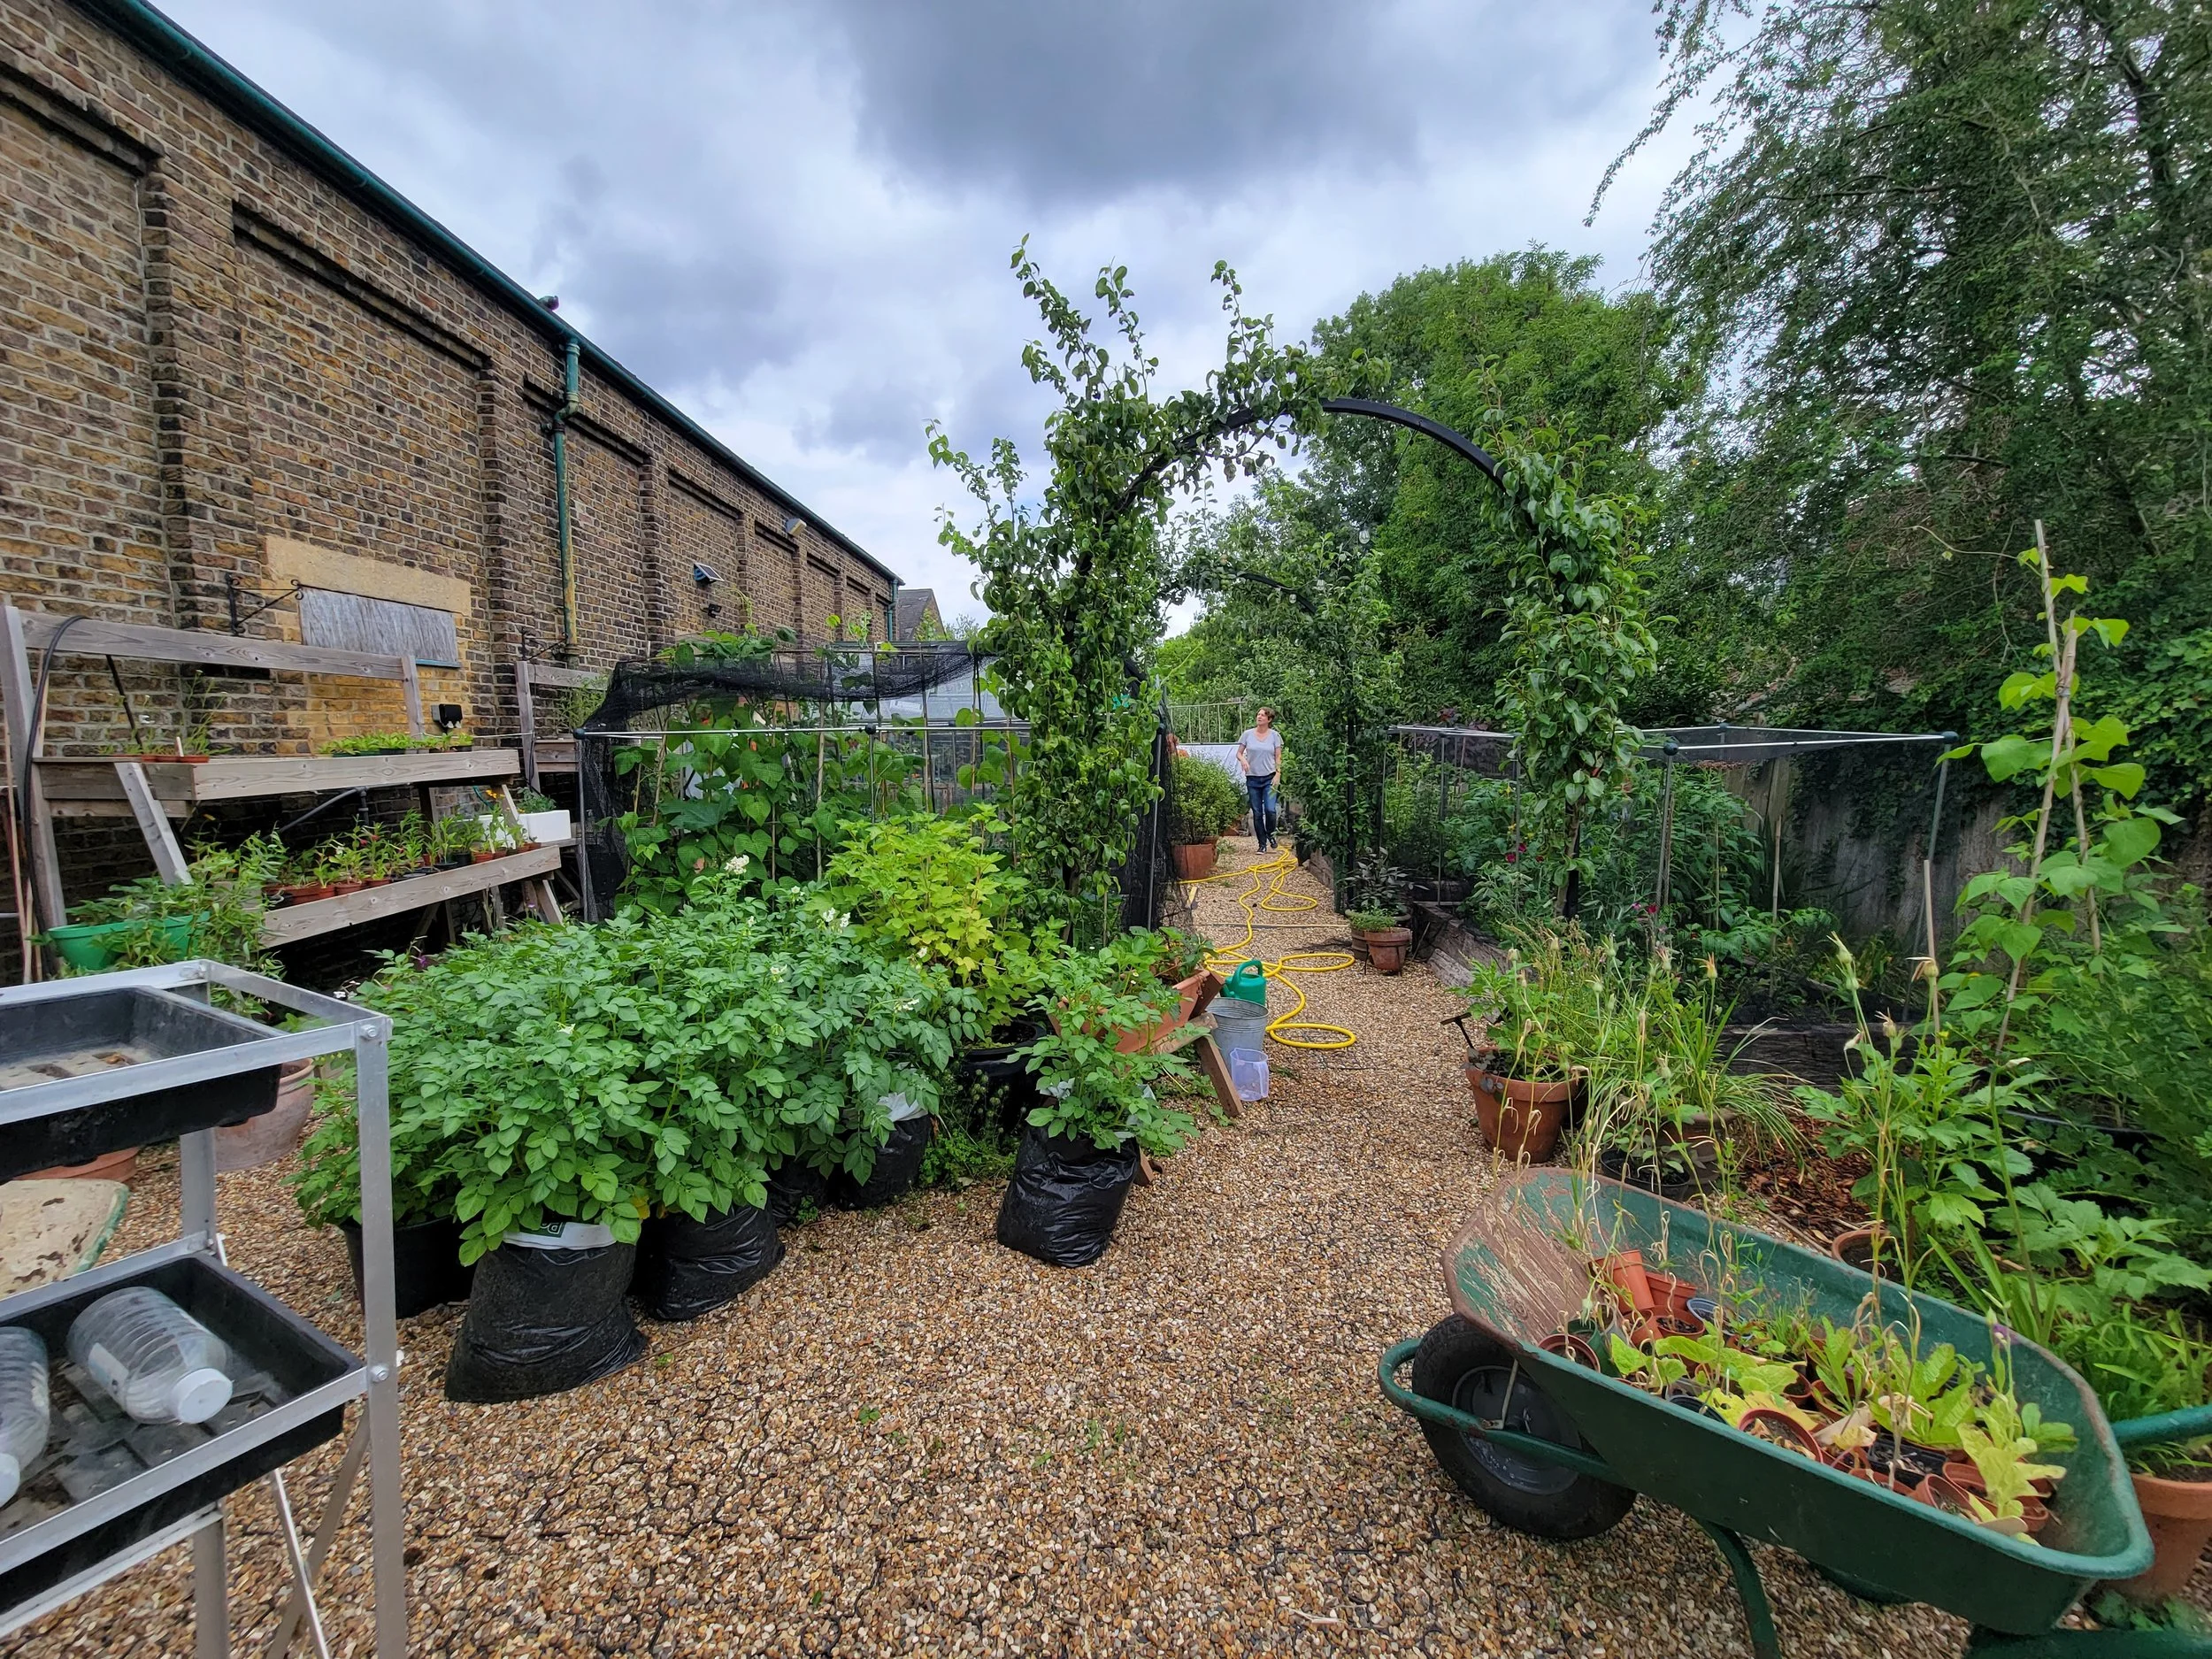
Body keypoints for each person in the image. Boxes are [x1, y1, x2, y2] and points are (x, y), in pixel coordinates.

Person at [1236, 708, 1284, 852]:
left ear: (1269, 720)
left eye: (1263, 715)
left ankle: (1270, 834)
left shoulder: (1275, 736)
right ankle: (1262, 844)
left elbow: (1278, 757)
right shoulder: (1247, 735)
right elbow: (1238, 753)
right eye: (1258, 714)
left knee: (1270, 810)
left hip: (1269, 777)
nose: (1260, 717)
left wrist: (1278, 773)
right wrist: (1243, 760)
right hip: (1253, 778)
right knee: (1256, 812)